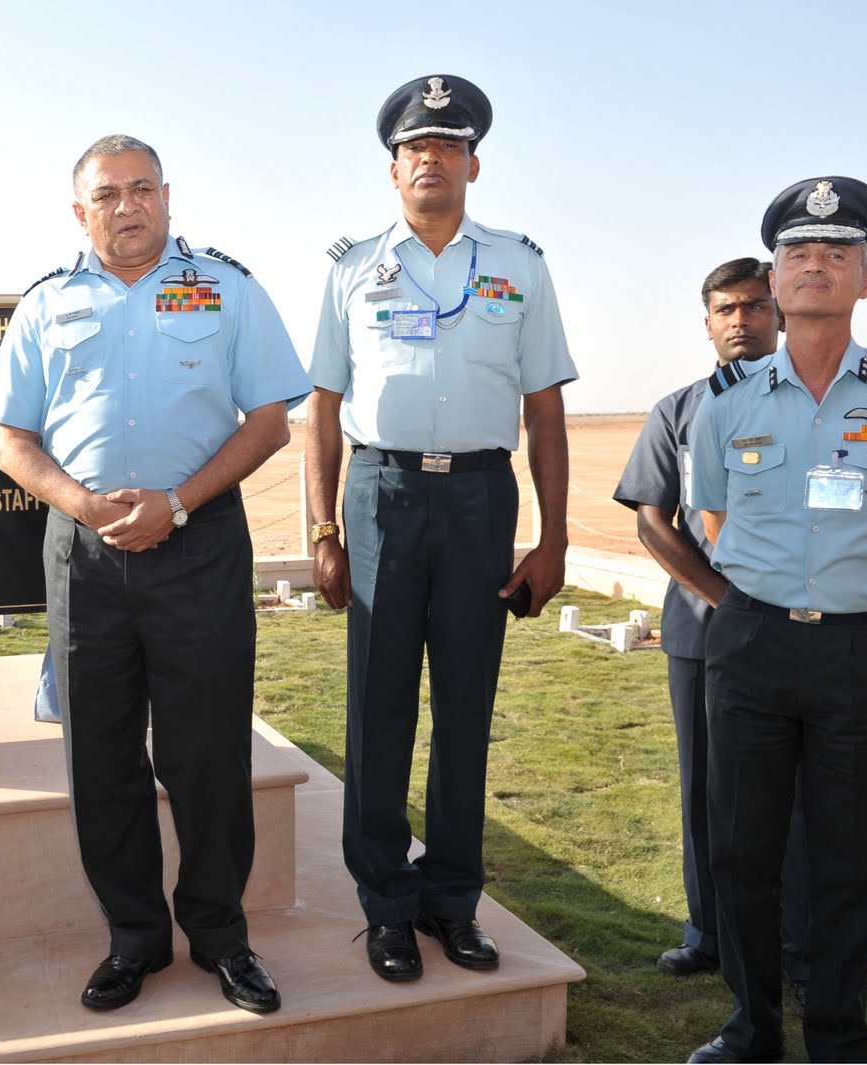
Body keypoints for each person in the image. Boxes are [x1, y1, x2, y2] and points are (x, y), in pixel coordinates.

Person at [0, 134, 310, 1014]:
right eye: (109, 194)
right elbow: (13, 440)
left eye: (144, 189)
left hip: (198, 546)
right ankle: (133, 937)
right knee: (102, 756)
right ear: (79, 210)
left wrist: (178, 502)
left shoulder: (229, 288)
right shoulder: (46, 303)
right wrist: (84, 506)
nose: (129, 206)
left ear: (168, 196)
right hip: (83, 556)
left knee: (206, 751)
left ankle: (222, 936)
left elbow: (269, 420)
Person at [304, 75, 576, 982]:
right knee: (379, 708)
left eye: (447, 146)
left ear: (473, 162)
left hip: (478, 498)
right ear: (394, 169)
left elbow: (543, 410)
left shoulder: (519, 264)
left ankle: (452, 901)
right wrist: (322, 529)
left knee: (465, 707)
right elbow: (324, 405)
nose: (431, 159)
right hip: (381, 494)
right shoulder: (350, 266)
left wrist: (552, 536)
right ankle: (385, 906)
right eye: (415, 148)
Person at [686, 178, 867, 1063]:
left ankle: (840, 1035)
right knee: (741, 850)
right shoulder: (726, 398)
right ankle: (751, 1029)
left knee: (853, 854)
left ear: (866, 280)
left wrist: (849, 582)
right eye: (799, 253)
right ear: (774, 278)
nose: (816, 266)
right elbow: (716, 521)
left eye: (838, 252)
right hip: (753, 640)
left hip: (861, 644)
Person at [613, 258, 811, 1009]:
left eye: (755, 307)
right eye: (725, 309)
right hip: (707, 632)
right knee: (707, 789)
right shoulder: (679, 411)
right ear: (707, 324)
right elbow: (652, 520)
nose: (740, 320)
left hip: (800, 630)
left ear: (779, 315)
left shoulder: (816, 404)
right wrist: (728, 603)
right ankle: (710, 933)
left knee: (791, 795)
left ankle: (794, 944)